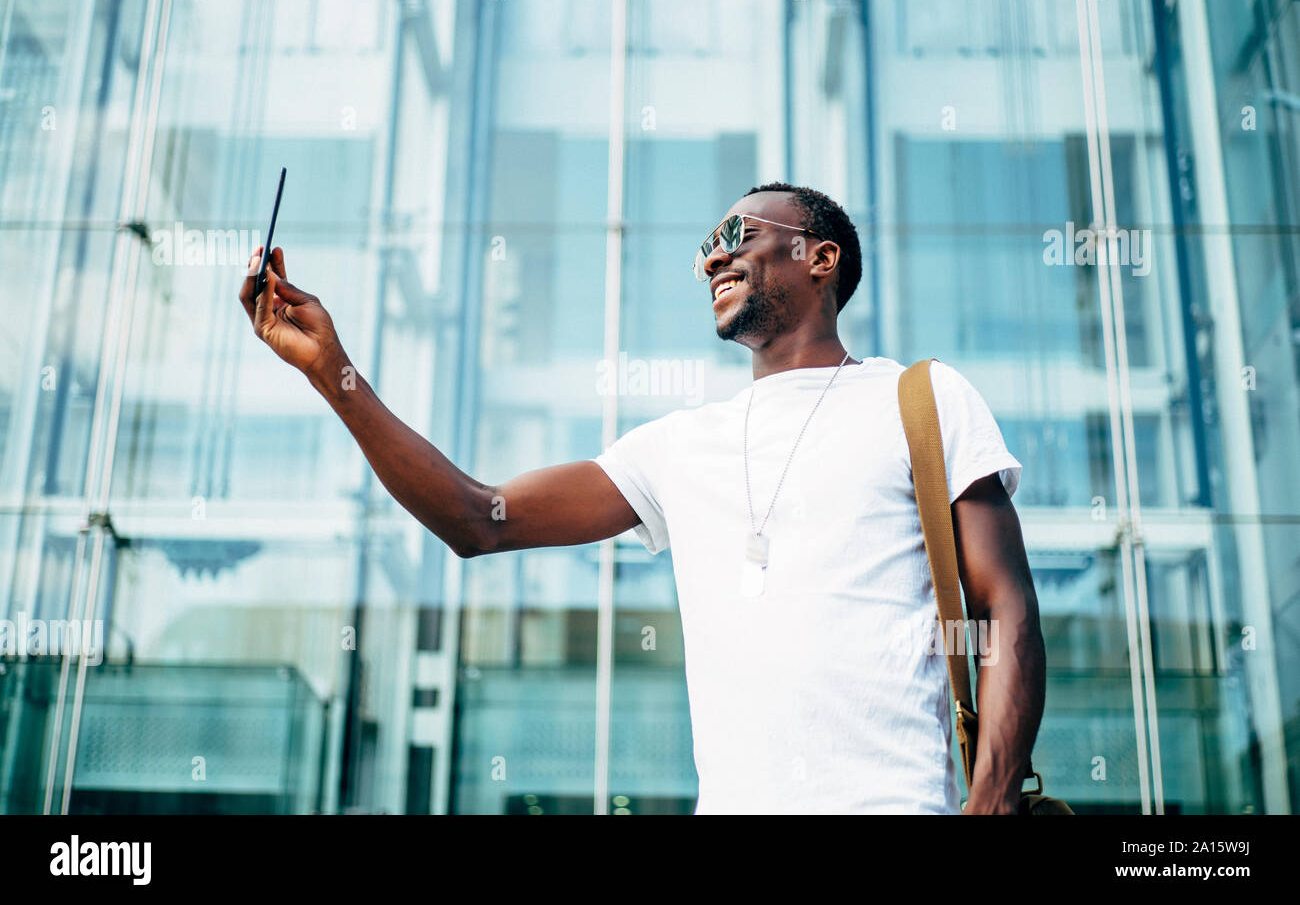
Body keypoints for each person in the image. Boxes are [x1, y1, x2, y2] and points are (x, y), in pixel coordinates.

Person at [238, 181, 1045, 814]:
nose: (712, 260)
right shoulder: (677, 446)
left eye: (737, 236)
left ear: (820, 259)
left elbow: (1004, 609)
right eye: (704, 249)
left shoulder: (921, 399)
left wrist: (992, 798)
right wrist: (332, 374)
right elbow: (474, 518)